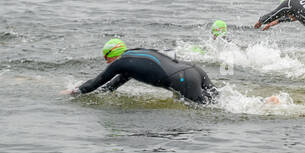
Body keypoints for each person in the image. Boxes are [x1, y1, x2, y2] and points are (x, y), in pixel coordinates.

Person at [65, 38, 217, 102]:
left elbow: (97, 81)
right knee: (218, 101)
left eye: (106, 57)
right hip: (195, 69)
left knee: (206, 113)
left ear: (113, 54)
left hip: (183, 78)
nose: (106, 62)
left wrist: (75, 91)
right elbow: (111, 86)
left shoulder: (121, 62)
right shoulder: (136, 56)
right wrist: (93, 96)